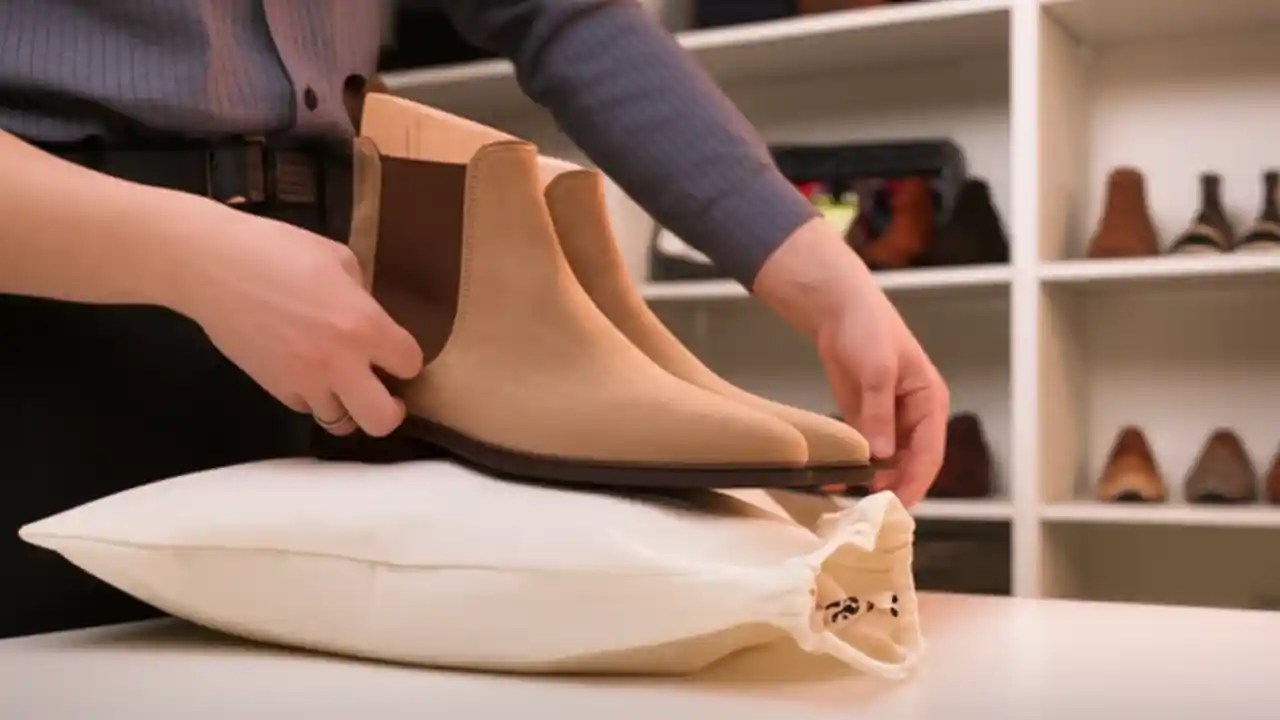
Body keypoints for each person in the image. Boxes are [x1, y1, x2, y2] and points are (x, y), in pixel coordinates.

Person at [0, 0, 948, 639]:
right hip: (48, 298)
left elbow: (564, 13)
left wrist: (827, 279)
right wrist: (183, 252)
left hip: (337, 304)